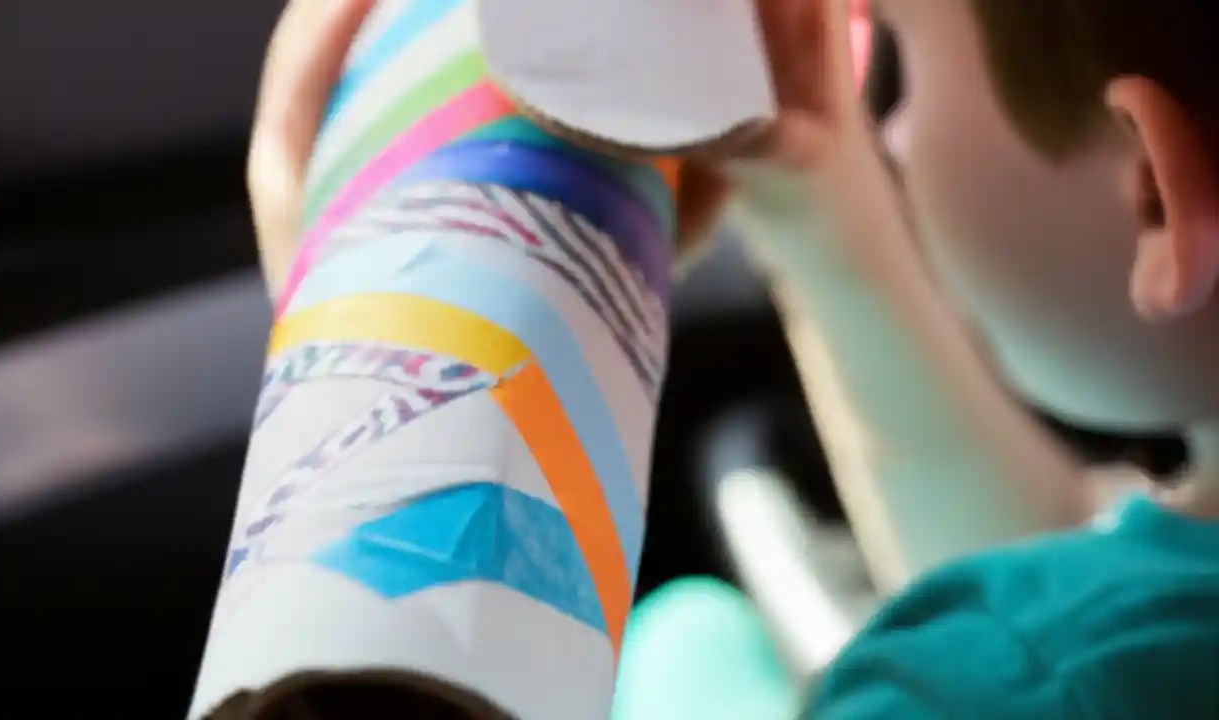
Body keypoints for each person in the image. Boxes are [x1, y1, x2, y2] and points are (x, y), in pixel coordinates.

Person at [246, 0, 1219, 717]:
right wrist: (815, 210)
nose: (891, 125)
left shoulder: (983, 692)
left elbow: (1040, 623)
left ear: (1149, 197)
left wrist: (358, 345)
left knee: (684, 639)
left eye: (907, 58)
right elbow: (1061, 549)